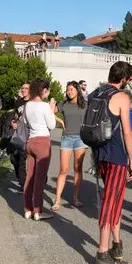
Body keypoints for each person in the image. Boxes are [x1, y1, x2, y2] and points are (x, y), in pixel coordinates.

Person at [91, 61, 132, 264]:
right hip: (117, 154)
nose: (131, 81)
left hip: (99, 152)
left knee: (114, 199)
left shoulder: (95, 94)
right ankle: (102, 252)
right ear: (124, 78)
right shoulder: (122, 98)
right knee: (110, 202)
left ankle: (116, 244)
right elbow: (127, 132)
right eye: (130, 78)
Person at [23, 79, 57, 220]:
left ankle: (27, 209)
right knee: (40, 178)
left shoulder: (27, 105)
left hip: (30, 141)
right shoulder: (44, 106)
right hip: (42, 141)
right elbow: (52, 125)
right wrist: (51, 108)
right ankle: (38, 210)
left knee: (29, 176)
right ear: (44, 90)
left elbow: (25, 122)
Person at [52, 81, 88, 211]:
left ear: (77, 90)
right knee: (63, 170)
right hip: (66, 138)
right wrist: (59, 120)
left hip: (80, 139)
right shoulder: (63, 104)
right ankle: (57, 200)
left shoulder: (85, 105)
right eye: (67, 90)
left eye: (71, 89)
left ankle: (75, 198)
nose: (69, 92)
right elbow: (51, 111)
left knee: (78, 169)